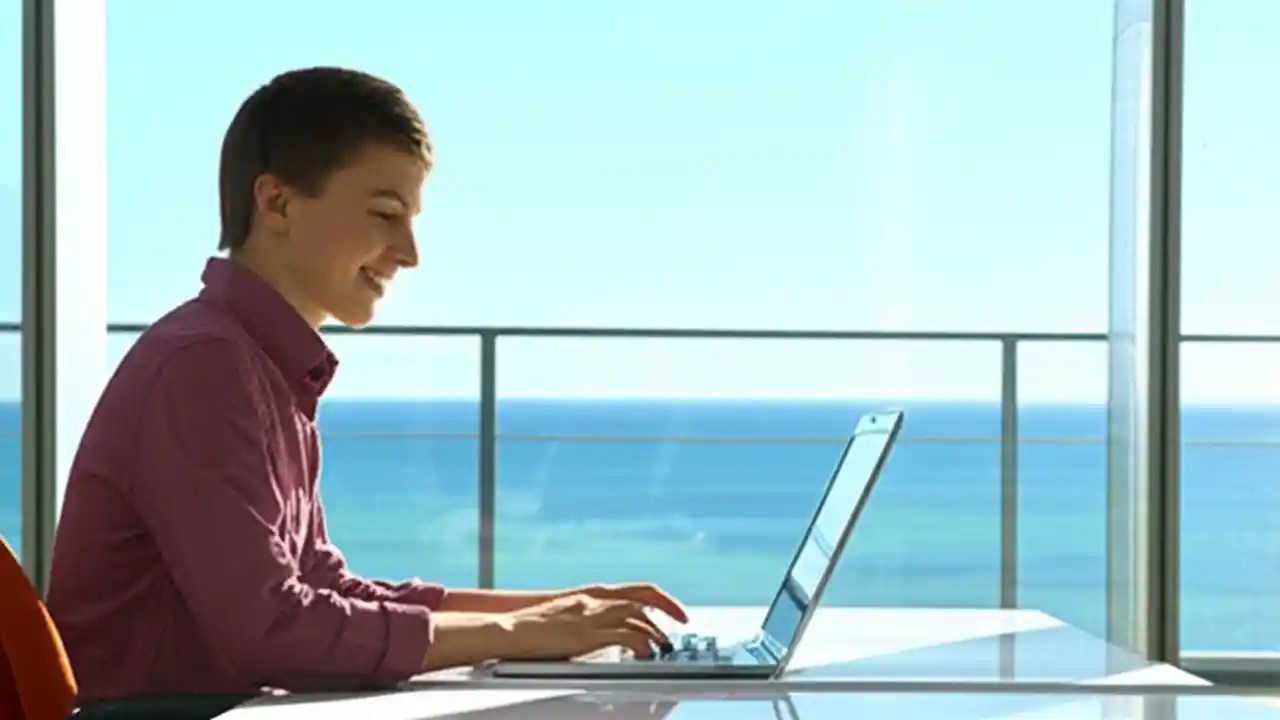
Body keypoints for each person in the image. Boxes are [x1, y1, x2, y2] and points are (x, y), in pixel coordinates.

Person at [46, 66, 688, 702]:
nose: (410, 252)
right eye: (385, 214)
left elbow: (321, 588)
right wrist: (515, 632)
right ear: (277, 202)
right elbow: (272, 629)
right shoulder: (202, 367)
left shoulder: (257, 364)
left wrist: (558, 612)